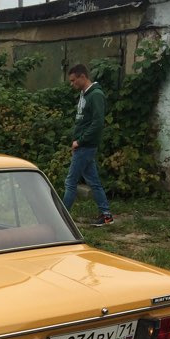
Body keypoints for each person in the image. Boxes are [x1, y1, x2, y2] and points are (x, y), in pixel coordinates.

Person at [63, 63, 113, 226]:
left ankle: (62, 218)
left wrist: (80, 140)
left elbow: (98, 123)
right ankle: (106, 216)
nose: (72, 84)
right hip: (82, 145)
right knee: (94, 181)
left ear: (82, 77)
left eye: (73, 80)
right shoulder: (85, 94)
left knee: (70, 182)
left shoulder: (96, 95)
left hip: (85, 146)